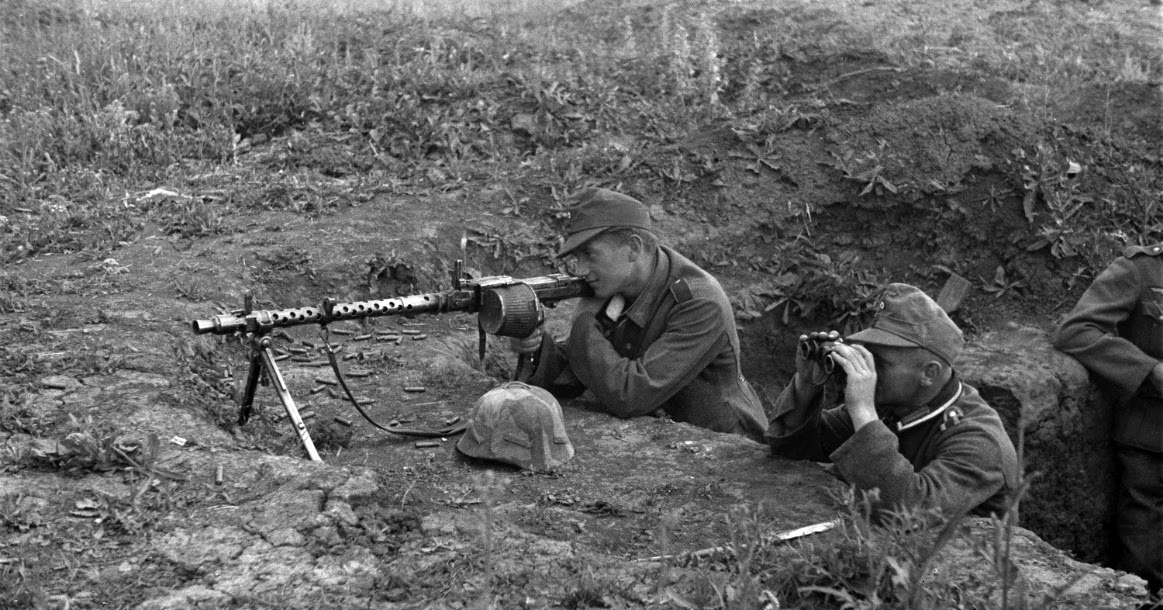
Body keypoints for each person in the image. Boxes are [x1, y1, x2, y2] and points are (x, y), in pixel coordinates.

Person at [511, 187, 768, 443]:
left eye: (589, 254)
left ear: (633, 248)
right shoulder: (620, 284)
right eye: (577, 258)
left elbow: (630, 396)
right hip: (666, 437)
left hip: (724, 444)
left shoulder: (700, 304)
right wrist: (535, 346)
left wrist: (583, 322)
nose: (580, 270)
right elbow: (577, 370)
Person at [766, 283, 1019, 520]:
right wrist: (807, 384)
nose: (868, 368)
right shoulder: (895, 404)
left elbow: (909, 510)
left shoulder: (979, 441)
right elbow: (795, 448)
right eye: (867, 354)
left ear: (929, 374)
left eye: (881, 362)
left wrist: (863, 412)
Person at [1052, 243, 1162, 598]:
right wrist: (1149, 370)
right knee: (1144, 571)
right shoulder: (1139, 270)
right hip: (1152, 446)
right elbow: (1076, 331)